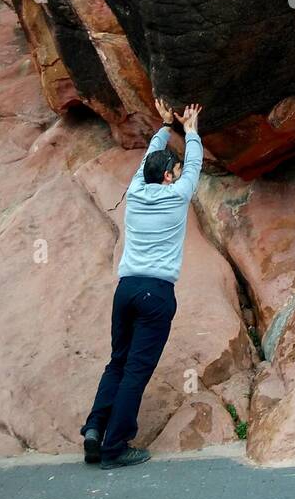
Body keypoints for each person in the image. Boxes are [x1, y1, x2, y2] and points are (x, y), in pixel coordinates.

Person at [81, 98, 204, 469]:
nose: (181, 173)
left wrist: (165, 126)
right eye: (176, 169)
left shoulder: (135, 190)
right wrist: (191, 130)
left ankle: (94, 429)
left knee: (117, 362)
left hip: (127, 289)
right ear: (168, 177)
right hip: (156, 294)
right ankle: (114, 447)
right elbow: (195, 165)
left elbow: (150, 157)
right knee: (136, 370)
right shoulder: (178, 195)